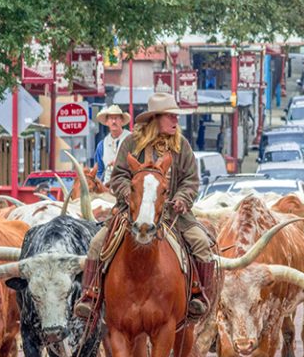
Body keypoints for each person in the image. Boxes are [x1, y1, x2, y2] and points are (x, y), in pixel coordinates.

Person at [74, 93, 216, 321]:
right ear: (155, 118)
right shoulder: (131, 143)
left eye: (175, 116)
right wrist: (129, 196)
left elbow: (191, 180)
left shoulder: (182, 146)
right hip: (132, 214)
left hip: (174, 216)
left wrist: (182, 199)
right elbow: (119, 175)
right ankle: (90, 297)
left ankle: (199, 298)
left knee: (201, 243)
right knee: (96, 243)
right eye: (170, 116)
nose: (175, 121)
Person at [93, 105, 131, 185]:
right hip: (107, 187)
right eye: (111, 118)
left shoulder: (131, 139)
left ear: (122, 121)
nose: (114, 121)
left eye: (116, 118)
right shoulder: (102, 145)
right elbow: (100, 171)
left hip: (128, 185)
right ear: (107, 122)